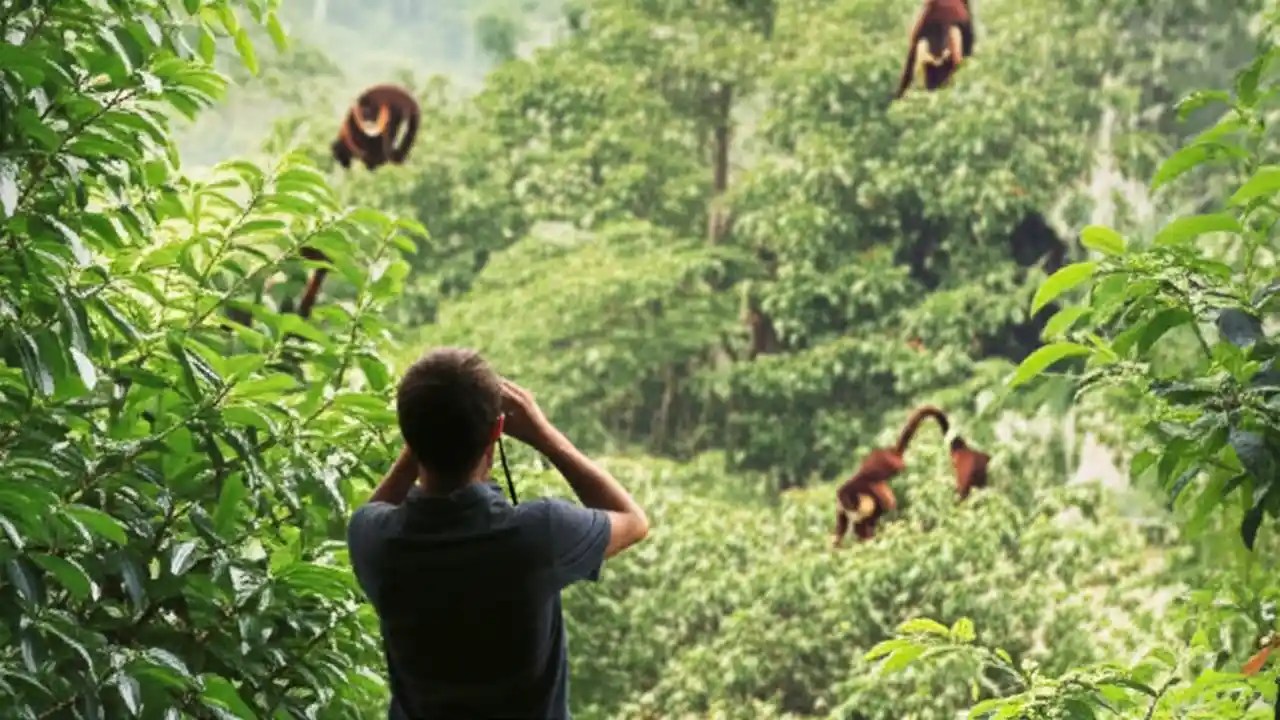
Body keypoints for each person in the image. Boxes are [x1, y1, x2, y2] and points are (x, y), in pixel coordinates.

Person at [346, 347, 650, 719]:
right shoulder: (540, 534)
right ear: (497, 431)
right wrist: (542, 433)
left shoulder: (376, 542)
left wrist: (424, 432)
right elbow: (633, 520)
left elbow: (369, 513)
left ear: (409, 432)